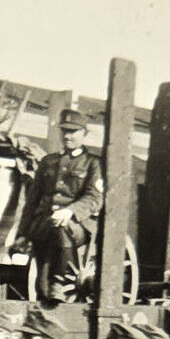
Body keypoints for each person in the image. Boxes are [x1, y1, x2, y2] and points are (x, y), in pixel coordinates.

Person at [13, 107, 105, 304]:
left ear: (84, 134)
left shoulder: (92, 163)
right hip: (45, 224)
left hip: (78, 226)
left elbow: (94, 197)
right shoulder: (48, 162)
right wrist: (22, 234)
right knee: (42, 288)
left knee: (61, 228)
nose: (67, 136)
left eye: (73, 131)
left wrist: (70, 211)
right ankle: (47, 291)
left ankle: (59, 282)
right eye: (65, 131)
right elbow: (32, 202)